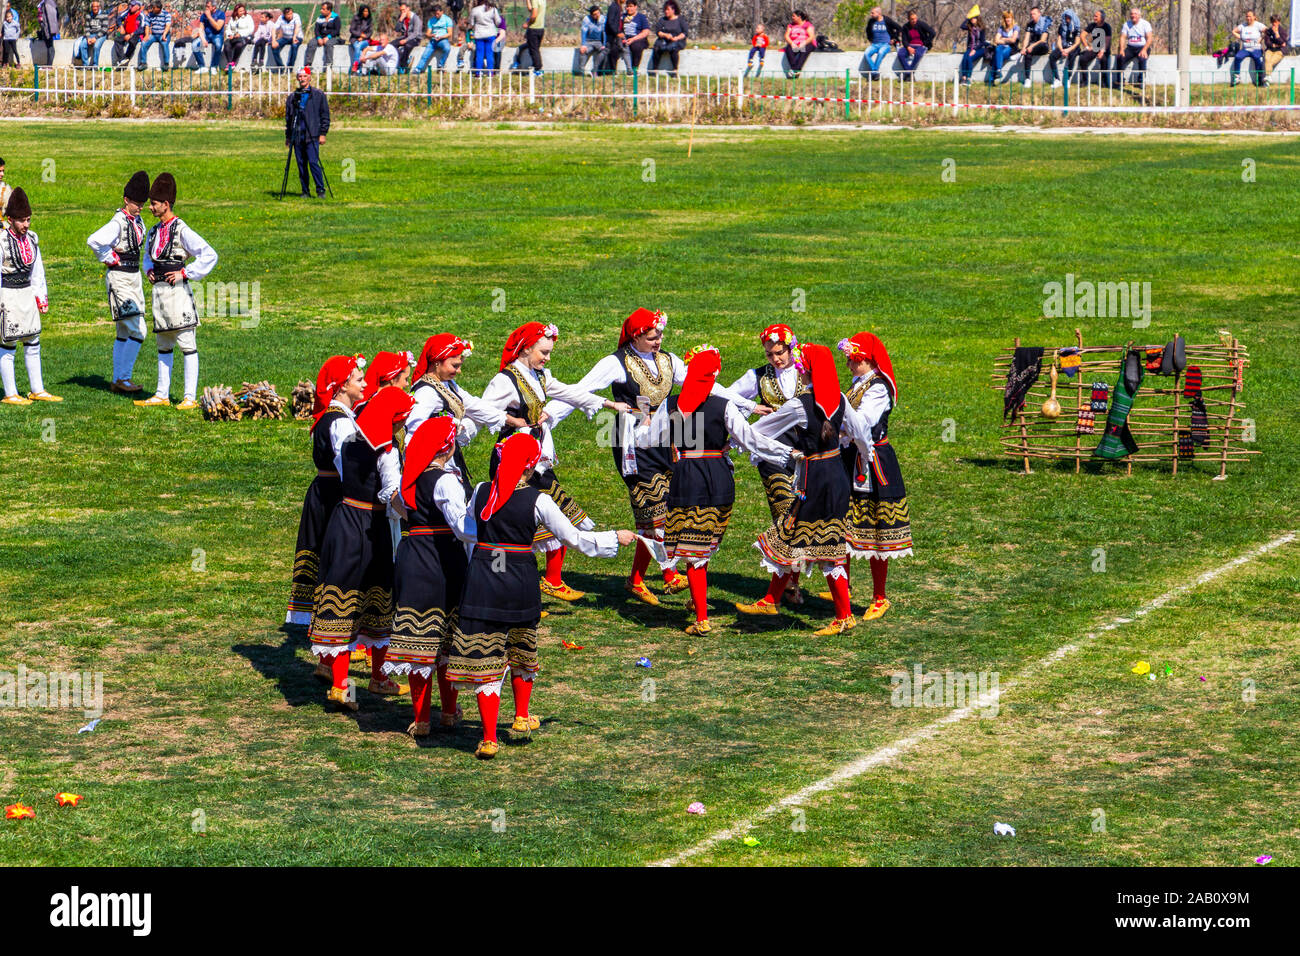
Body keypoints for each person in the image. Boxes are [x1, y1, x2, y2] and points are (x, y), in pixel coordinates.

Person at [443, 432, 635, 759]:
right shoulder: (539, 500)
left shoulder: (480, 491)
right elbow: (574, 539)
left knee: (488, 656)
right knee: (521, 645)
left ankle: (489, 737)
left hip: (485, 576)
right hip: (518, 577)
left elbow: (468, 529)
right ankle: (520, 717)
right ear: (530, 468)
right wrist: (614, 538)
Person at [548, 308, 756, 607]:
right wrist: (548, 417)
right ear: (636, 336)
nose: (658, 341)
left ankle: (638, 579)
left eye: (660, 335)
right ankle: (669, 570)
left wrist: (746, 406)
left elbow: (707, 383)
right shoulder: (616, 363)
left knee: (662, 513)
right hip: (632, 444)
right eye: (651, 336)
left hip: (667, 440)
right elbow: (581, 390)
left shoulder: (669, 360)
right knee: (656, 511)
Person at [633, 346, 794, 635]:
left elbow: (647, 441)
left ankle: (702, 619)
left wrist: (642, 423)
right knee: (703, 545)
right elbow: (751, 440)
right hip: (720, 479)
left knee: (693, 549)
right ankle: (699, 606)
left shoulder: (671, 405)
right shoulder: (723, 405)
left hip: (688, 478)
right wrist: (786, 453)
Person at [481, 321, 630, 602]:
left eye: (549, 353)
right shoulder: (505, 380)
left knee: (559, 516)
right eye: (543, 352)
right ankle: (520, 588)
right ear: (526, 349)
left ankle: (550, 580)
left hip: (536, 460)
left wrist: (609, 405)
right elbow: (483, 410)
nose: (548, 358)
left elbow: (571, 392)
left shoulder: (540, 376)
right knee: (521, 527)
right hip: (513, 462)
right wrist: (512, 420)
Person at [737, 344, 876, 636]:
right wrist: (865, 459)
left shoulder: (801, 404)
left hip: (813, 478)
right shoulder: (839, 399)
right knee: (792, 533)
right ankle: (770, 599)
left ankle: (843, 616)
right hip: (836, 475)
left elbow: (761, 430)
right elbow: (861, 432)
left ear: (808, 368)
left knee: (825, 545)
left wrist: (745, 443)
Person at [309, 386, 415, 713]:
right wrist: (414, 515)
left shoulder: (351, 440)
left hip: (343, 520)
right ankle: (378, 676)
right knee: (377, 595)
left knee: (343, 595)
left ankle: (341, 685)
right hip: (372, 526)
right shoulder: (388, 451)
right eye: (403, 419)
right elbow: (391, 492)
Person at [388, 415, 467, 736]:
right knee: (447, 640)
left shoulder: (408, 480)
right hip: (443, 558)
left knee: (417, 641)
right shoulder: (446, 481)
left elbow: (396, 508)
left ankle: (421, 719)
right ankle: (448, 711)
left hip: (412, 556)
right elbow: (461, 526)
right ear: (446, 447)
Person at [287, 353, 365, 628]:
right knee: (338, 560)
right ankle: (333, 630)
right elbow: (349, 467)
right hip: (335, 497)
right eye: (359, 379)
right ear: (342, 385)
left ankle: (326, 634)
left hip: (326, 493)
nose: (365, 384)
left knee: (328, 558)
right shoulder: (340, 422)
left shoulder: (337, 416)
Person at [838, 333, 911, 621]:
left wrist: (841, 422)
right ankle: (843, 586)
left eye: (853, 359)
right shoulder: (859, 384)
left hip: (874, 461)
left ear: (867, 359)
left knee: (877, 527)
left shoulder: (878, 388)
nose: (849, 364)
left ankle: (880, 596)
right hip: (849, 456)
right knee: (844, 521)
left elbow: (865, 422)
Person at [133, 173, 217, 411]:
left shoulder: (182, 230)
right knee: (163, 344)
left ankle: (189, 396)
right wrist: (148, 270)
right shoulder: (153, 231)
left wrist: (186, 273)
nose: (150, 207)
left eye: (154, 203)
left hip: (179, 295)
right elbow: (147, 258)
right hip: (159, 295)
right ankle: (162, 394)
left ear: (166, 205)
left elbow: (209, 254)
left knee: (187, 344)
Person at [405, 333, 504, 490]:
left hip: (448, 456)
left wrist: (507, 419)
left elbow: (472, 404)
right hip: (435, 464)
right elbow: (413, 429)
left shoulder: (446, 384)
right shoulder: (426, 393)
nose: (458, 371)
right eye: (455, 365)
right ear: (437, 363)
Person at [86, 170, 151, 395]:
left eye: (142, 203)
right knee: (139, 329)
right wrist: (108, 257)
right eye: (136, 203)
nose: (140, 207)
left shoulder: (139, 220)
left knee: (124, 331)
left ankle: (117, 380)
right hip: (120, 279)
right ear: (126, 200)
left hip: (134, 279)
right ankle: (124, 378)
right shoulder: (118, 222)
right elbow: (93, 240)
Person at [0, 189, 58, 406]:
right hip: (7, 294)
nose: (26, 225)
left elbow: (37, 271)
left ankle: (37, 389)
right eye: (22, 221)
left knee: (33, 340)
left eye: (28, 220)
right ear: (10, 219)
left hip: (26, 294)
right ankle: (10, 393)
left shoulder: (32, 239)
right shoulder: (1, 241)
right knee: (8, 341)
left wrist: (41, 297)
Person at [286, 66, 330, 199]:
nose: (302, 79)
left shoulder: (318, 95)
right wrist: (288, 136)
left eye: (305, 76)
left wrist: (323, 133)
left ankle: (320, 189)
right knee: (301, 164)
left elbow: (325, 115)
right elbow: (289, 118)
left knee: (313, 162)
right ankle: (305, 190)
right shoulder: (293, 97)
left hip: (313, 134)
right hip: (297, 135)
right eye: (300, 76)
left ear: (309, 77)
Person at [1115, 7, 1151, 88]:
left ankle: (1141, 81)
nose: (1133, 15)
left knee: (1142, 59)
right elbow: (1122, 37)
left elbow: (1149, 38)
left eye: (1135, 14)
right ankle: (1120, 81)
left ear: (1139, 15)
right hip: (1130, 48)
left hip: (1143, 47)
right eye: (1131, 14)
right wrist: (1121, 50)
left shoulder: (1145, 24)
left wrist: (1144, 50)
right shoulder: (1126, 24)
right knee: (1119, 58)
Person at [413, 4, 455, 73]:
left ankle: (440, 65)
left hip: (443, 40)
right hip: (433, 40)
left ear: (442, 12)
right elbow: (427, 33)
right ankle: (418, 68)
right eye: (435, 14)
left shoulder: (447, 20)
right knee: (425, 54)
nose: (436, 15)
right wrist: (431, 35)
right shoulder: (431, 21)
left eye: (438, 13)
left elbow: (450, 33)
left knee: (447, 48)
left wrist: (441, 37)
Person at [647, 0, 685, 75]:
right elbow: (658, 31)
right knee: (656, 48)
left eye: (668, 10)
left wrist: (676, 38)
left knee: (674, 50)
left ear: (673, 10)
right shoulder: (662, 20)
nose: (666, 11)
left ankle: (674, 70)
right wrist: (665, 35)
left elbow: (684, 32)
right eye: (665, 10)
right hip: (664, 40)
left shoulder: (680, 20)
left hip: (677, 40)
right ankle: (654, 70)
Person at [894, 9, 932, 80]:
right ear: (908, 19)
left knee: (918, 54)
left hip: (921, 45)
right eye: (912, 19)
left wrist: (926, 43)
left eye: (915, 18)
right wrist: (908, 47)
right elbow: (904, 40)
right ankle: (910, 73)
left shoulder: (921, 24)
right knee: (900, 54)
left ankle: (908, 73)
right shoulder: (905, 27)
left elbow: (932, 32)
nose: (914, 20)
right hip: (910, 45)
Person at [1046, 8, 1080, 87]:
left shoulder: (1076, 26)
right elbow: (1059, 40)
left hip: (1073, 47)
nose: (1067, 19)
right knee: (1052, 56)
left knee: (1072, 55)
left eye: (1069, 17)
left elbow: (1077, 42)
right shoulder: (1062, 26)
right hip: (1063, 47)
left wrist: (1068, 50)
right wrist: (1061, 50)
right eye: (1066, 17)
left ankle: (1068, 78)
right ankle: (1057, 79)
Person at [861, 7, 899, 80]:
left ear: (878, 13)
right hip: (874, 45)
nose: (871, 14)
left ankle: (874, 73)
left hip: (885, 45)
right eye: (871, 13)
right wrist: (870, 39)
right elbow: (868, 31)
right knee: (866, 53)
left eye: (873, 13)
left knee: (881, 53)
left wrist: (894, 39)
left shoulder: (887, 20)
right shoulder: (871, 21)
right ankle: (875, 72)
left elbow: (898, 28)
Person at [1231, 10, 1265, 88]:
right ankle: (1237, 77)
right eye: (1247, 16)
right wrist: (1241, 38)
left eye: (1250, 16)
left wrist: (1261, 39)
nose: (1248, 18)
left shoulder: (1258, 25)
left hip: (1256, 48)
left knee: (1257, 58)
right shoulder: (1243, 26)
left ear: (1254, 17)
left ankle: (1259, 78)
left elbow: (1267, 31)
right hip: (1246, 48)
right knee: (1238, 57)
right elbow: (1234, 31)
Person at [1076, 8, 1110, 86]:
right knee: (1083, 59)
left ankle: (1103, 81)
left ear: (1102, 18)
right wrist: (1087, 47)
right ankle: (1085, 81)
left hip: (1104, 48)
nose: (1094, 18)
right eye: (1094, 16)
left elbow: (1107, 41)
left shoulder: (1107, 27)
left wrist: (1102, 51)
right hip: (1094, 48)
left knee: (1104, 59)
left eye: (1096, 16)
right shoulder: (1092, 25)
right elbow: (1082, 35)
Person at [136, 1, 173, 70]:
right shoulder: (150, 15)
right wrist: (147, 35)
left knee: (165, 44)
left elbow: (168, 25)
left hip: (164, 34)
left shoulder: (166, 14)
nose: (152, 9)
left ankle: (166, 64)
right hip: (154, 35)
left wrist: (164, 35)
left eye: (154, 8)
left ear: (158, 8)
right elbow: (147, 25)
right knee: (144, 43)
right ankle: (143, 63)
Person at [78, 1, 113, 68]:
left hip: (101, 35)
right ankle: (86, 65)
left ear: (99, 7)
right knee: (82, 45)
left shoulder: (104, 15)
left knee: (96, 46)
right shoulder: (88, 15)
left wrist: (96, 38)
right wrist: (88, 37)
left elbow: (105, 29)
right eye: (94, 7)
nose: (95, 8)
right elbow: (87, 28)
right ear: (92, 7)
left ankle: (95, 65)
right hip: (91, 34)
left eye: (97, 7)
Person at [619, 0, 651, 73]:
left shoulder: (641, 17)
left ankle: (635, 68)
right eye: (627, 6)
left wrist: (633, 39)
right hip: (624, 37)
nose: (629, 8)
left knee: (636, 47)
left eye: (631, 6)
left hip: (637, 38)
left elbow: (646, 31)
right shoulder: (623, 16)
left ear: (635, 7)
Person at [988, 9, 1019, 83]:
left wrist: (1003, 38)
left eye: (1009, 17)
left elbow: (1013, 40)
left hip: (1011, 48)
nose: (1007, 19)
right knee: (998, 49)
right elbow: (996, 40)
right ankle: (998, 70)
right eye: (1006, 18)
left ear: (1012, 18)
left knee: (997, 56)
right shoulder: (1001, 28)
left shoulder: (1016, 27)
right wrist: (1008, 39)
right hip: (1001, 47)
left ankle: (991, 79)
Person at [308, 1, 340, 72]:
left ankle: (328, 66)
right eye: (321, 9)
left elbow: (336, 30)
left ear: (328, 10)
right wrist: (319, 38)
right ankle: (308, 64)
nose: (321, 10)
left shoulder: (335, 18)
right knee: (311, 43)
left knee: (328, 44)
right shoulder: (320, 18)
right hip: (321, 37)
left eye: (323, 9)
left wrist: (328, 37)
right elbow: (316, 30)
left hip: (333, 37)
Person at [782, 9, 815, 77]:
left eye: (793, 16)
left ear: (799, 17)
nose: (792, 17)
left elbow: (811, 37)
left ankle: (795, 69)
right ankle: (795, 70)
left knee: (804, 50)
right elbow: (786, 35)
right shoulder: (791, 25)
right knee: (789, 49)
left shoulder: (807, 24)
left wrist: (803, 43)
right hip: (795, 44)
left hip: (807, 43)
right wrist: (791, 43)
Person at [270, 5, 302, 72]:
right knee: (274, 47)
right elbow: (274, 29)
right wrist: (273, 40)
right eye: (288, 14)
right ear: (284, 15)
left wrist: (294, 37)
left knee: (294, 46)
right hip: (285, 38)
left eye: (291, 13)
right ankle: (281, 67)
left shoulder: (296, 16)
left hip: (297, 37)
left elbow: (297, 26)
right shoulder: (281, 18)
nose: (290, 15)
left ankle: (290, 68)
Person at [957, 11, 987, 85]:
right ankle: (963, 78)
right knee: (965, 57)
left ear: (977, 18)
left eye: (973, 18)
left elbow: (982, 42)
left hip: (980, 48)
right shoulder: (970, 27)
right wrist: (967, 17)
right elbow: (962, 26)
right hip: (970, 47)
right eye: (971, 18)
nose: (972, 19)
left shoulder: (982, 28)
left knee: (969, 57)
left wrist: (974, 50)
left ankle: (968, 78)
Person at [469, 1, 498, 75]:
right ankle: (490, 73)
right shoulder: (493, 9)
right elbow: (498, 21)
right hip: (490, 34)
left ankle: (478, 73)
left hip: (479, 34)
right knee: (490, 54)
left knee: (479, 54)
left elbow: (471, 23)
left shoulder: (474, 10)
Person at [575, 5, 605, 75]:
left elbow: (604, 32)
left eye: (598, 13)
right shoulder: (587, 19)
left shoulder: (603, 19)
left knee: (604, 51)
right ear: (591, 15)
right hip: (589, 41)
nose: (597, 15)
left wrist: (604, 44)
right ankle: (581, 70)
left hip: (599, 41)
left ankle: (594, 70)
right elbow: (584, 31)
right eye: (595, 14)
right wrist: (583, 44)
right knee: (583, 51)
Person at [197, 1, 226, 72]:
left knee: (218, 46)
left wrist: (209, 17)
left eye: (208, 7)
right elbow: (200, 29)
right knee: (195, 45)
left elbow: (218, 27)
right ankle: (202, 66)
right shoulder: (203, 15)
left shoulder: (221, 14)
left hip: (217, 35)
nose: (206, 8)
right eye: (206, 6)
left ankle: (213, 66)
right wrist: (203, 40)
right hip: (207, 35)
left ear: (214, 7)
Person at [394, 2, 421, 72]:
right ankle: (402, 59)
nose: (402, 12)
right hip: (405, 37)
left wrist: (406, 40)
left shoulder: (415, 18)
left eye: (404, 10)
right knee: (391, 45)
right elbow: (397, 29)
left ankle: (403, 65)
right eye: (401, 10)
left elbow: (416, 33)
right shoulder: (402, 18)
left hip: (415, 38)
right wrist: (400, 20)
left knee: (407, 45)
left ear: (408, 9)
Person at [225, 4, 253, 69]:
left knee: (239, 45)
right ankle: (229, 63)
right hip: (233, 37)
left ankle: (233, 61)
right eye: (240, 11)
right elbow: (228, 28)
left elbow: (250, 29)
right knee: (227, 45)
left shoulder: (248, 17)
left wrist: (240, 34)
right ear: (236, 11)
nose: (242, 12)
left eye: (243, 10)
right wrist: (230, 35)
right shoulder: (233, 18)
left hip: (244, 37)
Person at [522, 0, 546, 73]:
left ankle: (538, 69)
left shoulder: (535, 0)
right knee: (535, 50)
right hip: (541, 29)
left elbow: (534, 15)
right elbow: (531, 10)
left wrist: (527, 23)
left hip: (533, 29)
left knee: (533, 50)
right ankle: (536, 66)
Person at [348, 3, 373, 70]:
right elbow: (351, 30)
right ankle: (358, 68)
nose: (366, 13)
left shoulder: (369, 20)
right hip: (355, 39)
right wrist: (359, 35)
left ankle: (355, 66)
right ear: (361, 11)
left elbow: (370, 32)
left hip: (366, 40)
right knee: (357, 46)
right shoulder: (356, 18)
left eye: (367, 11)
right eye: (364, 11)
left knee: (358, 46)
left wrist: (363, 37)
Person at [601, 0, 623, 73]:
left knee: (615, 52)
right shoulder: (613, 7)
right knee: (612, 52)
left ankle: (612, 71)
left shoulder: (618, 6)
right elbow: (610, 22)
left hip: (615, 33)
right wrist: (616, 33)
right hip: (612, 35)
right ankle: (609, 71)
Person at [1263, 14, 1286, 81]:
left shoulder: (1282, 31)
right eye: (1272, 22)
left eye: (1275, 22)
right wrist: (1275, 45)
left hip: (1280, 51)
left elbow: (1283, 43)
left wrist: (1276, 33)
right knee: (1267, 58)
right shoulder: (1268, 31)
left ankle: (1268, 76)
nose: (1274, 24)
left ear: (1278, 22)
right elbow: (1267, 42)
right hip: (1270, 50)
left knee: (1270, 62)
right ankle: (1268, 77)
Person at [36, 0, 58, 65]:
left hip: (48, 29)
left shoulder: (48, 3)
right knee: (49, 46)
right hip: (45, 27)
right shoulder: (43, 3)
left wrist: (52, 31)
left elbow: (51, 18)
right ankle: (48, 65)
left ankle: (49, 65)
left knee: (50, 46)